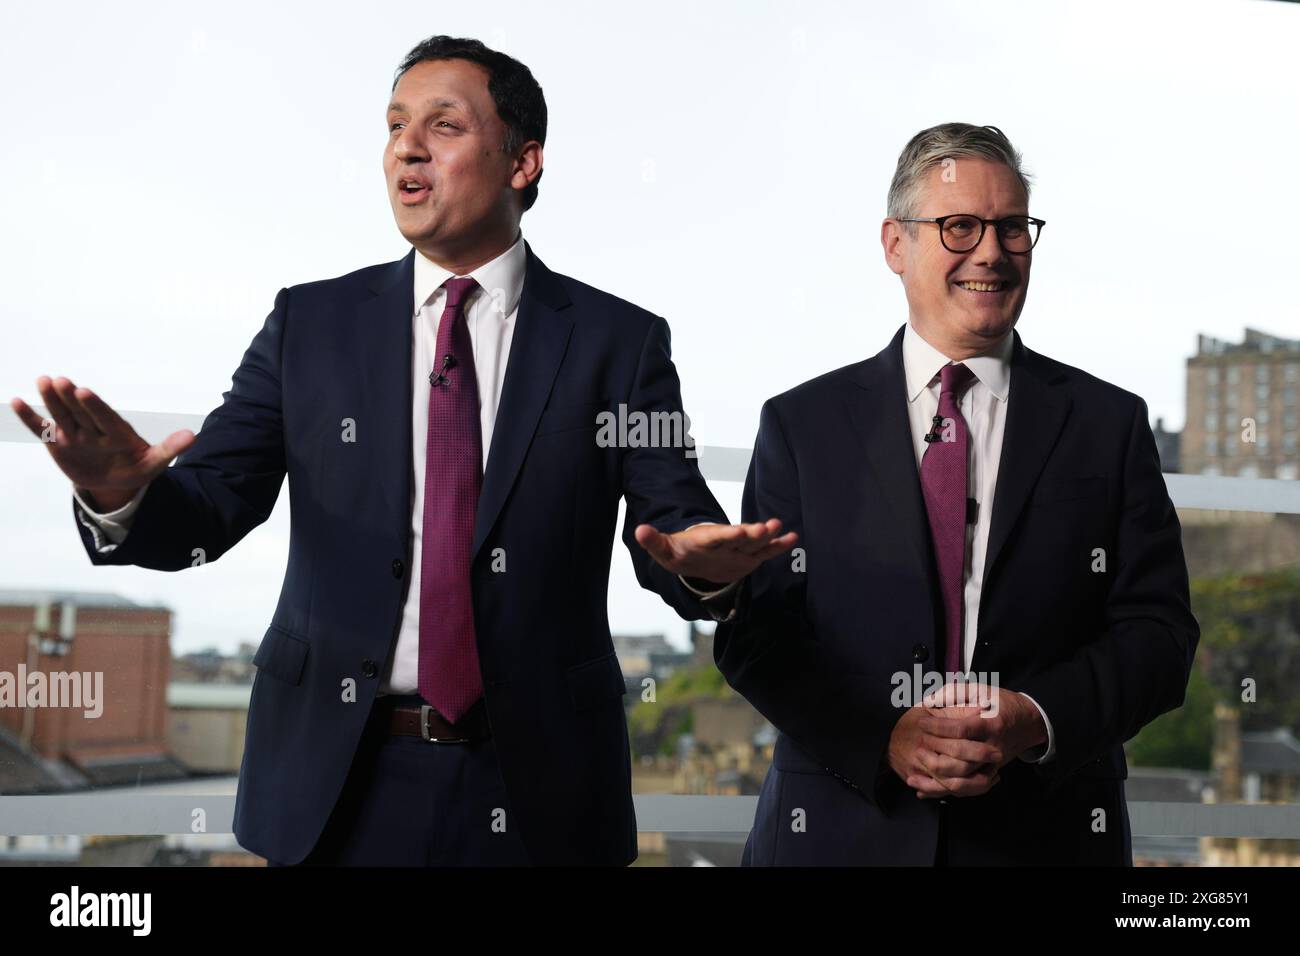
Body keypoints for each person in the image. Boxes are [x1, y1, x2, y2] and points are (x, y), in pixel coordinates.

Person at [9, 35, 793, 866]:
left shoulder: (618, 342)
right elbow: (210, 509)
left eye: (443, 125)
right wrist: (120, 496)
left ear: (522, 162)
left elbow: (675, 526)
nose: (407, 148)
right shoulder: (309, 326)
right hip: (335, 785)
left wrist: (705, 566)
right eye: (394, 126)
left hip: (539, 788)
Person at [713, 123, 1199, 865]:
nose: (992, 251)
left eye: (1012, 228)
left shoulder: (1110, 424)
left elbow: (1160, 637)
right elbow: (757, 634)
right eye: (959, 226)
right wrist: (886, 737)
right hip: (839, 835)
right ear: (895, 244)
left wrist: (1033, 717)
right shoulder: (801, 425)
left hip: (1046, 840)